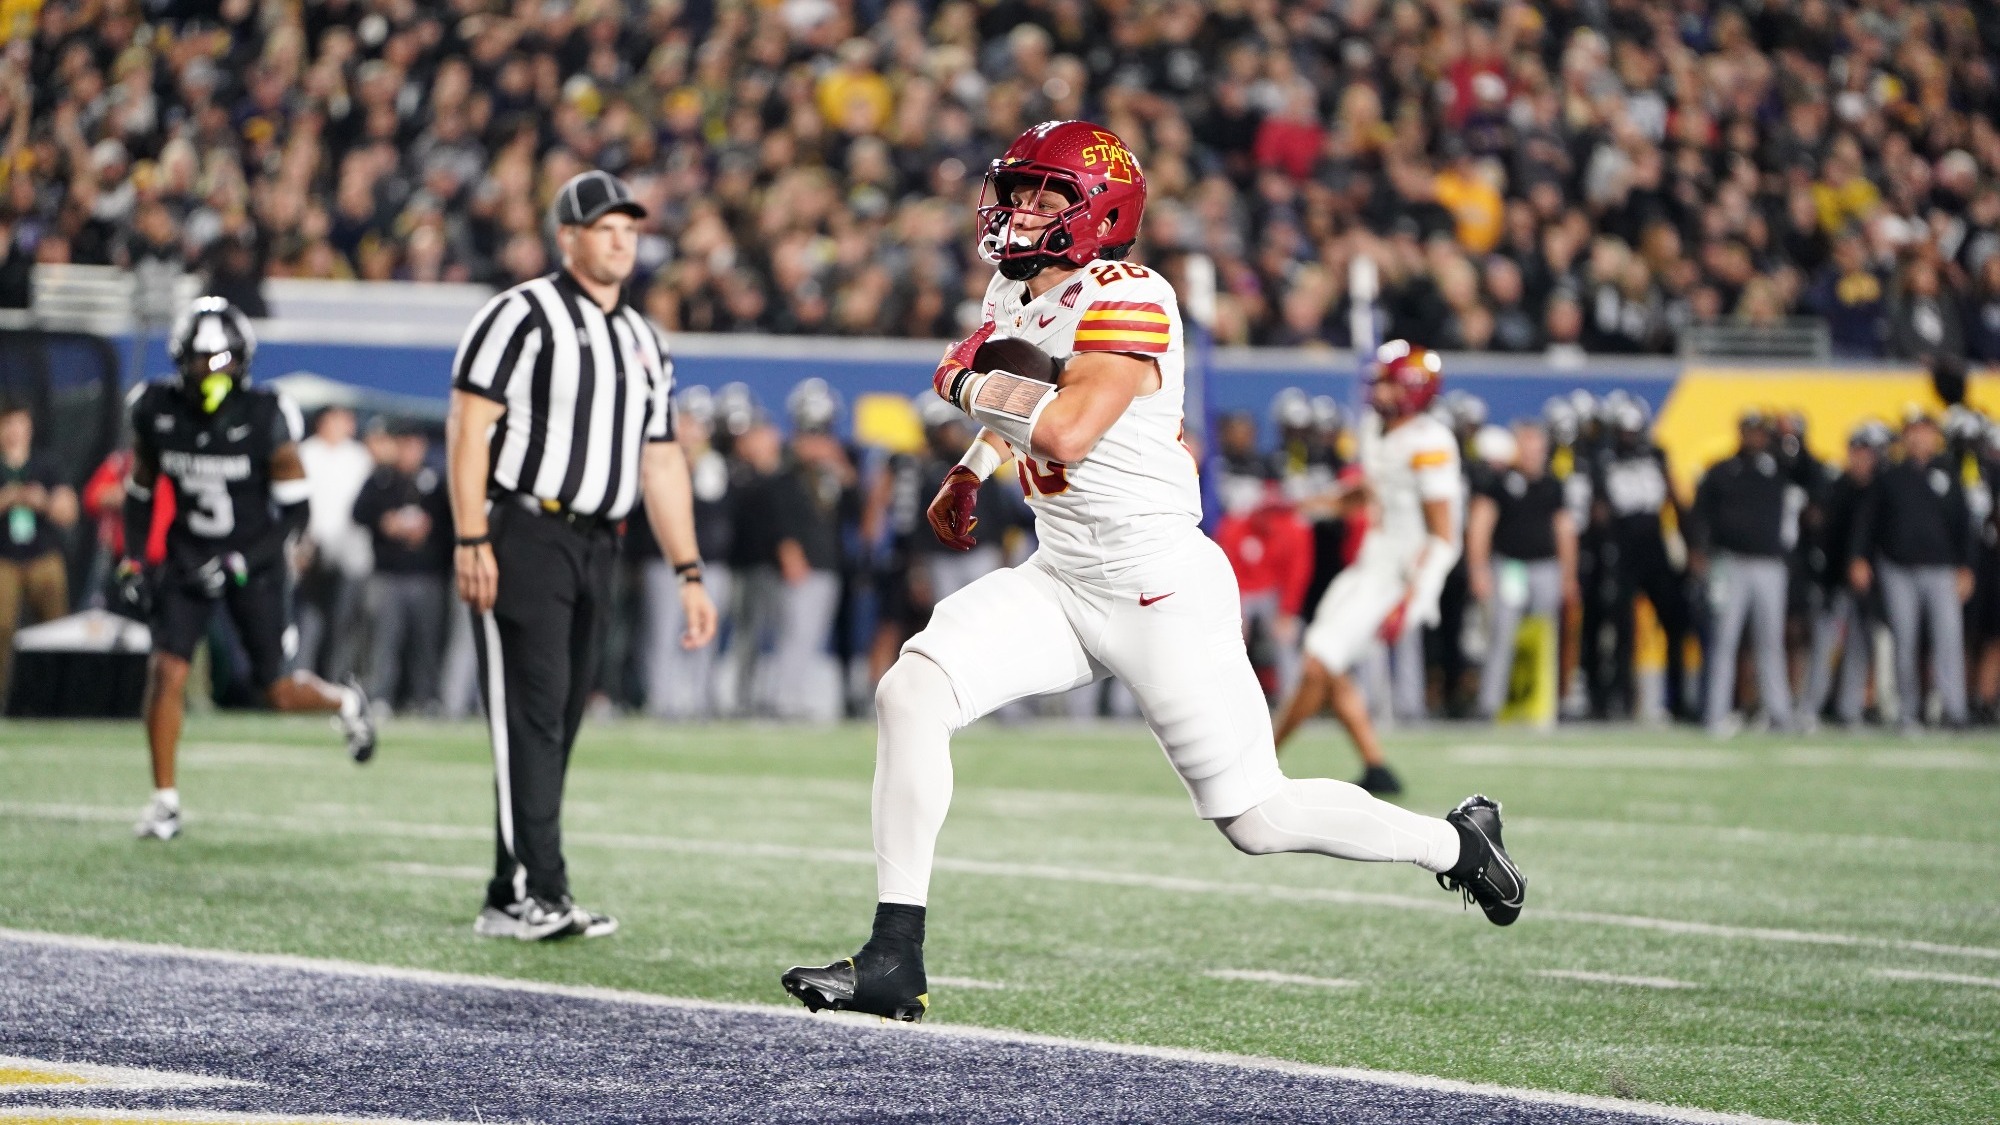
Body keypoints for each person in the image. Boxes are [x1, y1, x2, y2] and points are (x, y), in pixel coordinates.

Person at [781, 121, 1524, 1024]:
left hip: (1156, 583)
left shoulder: (1132, 291)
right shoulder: (1013, 290)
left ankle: (1453, 842)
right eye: (1015, 191)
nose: (1020, 211)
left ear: (1100, 210)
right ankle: (894, 956)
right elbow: (1026, 390)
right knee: (911, 692)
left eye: (1045, 194)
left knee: (1255, 818)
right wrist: (971, 469)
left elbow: (1062, 428)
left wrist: (958, 381)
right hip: (1063, 573)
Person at [447, 170, 717, 941]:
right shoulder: (520, 315)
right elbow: (469, 426)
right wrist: (470, 533)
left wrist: (688, 571)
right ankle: (540, 888)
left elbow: (661, 461)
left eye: (630, 226)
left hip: (603, 543)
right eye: (605, 226)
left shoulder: (643, 338)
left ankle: (513, 889)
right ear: (566, 237)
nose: (622, 238)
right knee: (530, 715)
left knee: (561, 717)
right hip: (525, 531)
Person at [122, 297, 377, 842]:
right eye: (201, 362)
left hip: (254, 562)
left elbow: (296, 513)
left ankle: (346, 700)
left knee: (277, 693)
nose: (213, 373)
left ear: (243, 362)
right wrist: (134, 557)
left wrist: (240, 561)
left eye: (223, 362)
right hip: (190, 555)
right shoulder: (157, 410)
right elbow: (141, 491)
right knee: (167, 671)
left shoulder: (265, 416)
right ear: (179, 361)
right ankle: (165, 800)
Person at [1271, 341, 1466, 796]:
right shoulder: (1378, 428)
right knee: (1325, 661)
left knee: (1319, 661)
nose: (1379, 390)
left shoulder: (1430, 441)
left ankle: (1264, 755)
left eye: (1389, 383)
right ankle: (1376, 766)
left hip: (1396, 574)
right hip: (1371, 562)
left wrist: (1420, 593)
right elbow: (1374, 491)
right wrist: (1320, 503)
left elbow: (1443, 534)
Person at [1849, 410, 1975, 730]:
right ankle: (1909, 711)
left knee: (1948, 640)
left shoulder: (1949, 473)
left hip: (1941, 569)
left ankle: (1953, 709)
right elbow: (1868, 521)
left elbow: (1964, 526)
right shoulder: (1890, 475)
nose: (1919, 438)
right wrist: (1859, 557)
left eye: (1925, 431)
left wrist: (1966, 567)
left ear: (1935, 436)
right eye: (1913, 431)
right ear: (1904, 437)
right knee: (1904, 641)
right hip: (1898, 568)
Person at [1689, 411, 1796, 736]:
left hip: (1769, 565)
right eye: (1749, 431)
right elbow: (1699, 513)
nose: (1754, 437)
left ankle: (1779, 713)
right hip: (1729, 563)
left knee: (1770, 641)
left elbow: (1812, 475)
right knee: (1724, 638)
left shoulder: (1778, 467)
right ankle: (1716, 713)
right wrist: (1698, 550)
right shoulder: (1723, 470)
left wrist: (1788, 437)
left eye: (1759, 432)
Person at [1467, 420, 1577, 720]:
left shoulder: (1552, 484)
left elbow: (1564, 531)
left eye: (1537, 447)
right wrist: (1478, 569)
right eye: (1527, 447)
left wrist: (1568, 575)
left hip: (1545, 568)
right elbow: (1480, 525)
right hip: (1510, 567)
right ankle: (1490, 704)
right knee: (1502, 633)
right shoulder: (1499, 482)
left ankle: (1545, 704)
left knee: (1546, 636)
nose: (1533, 454)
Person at [353, 421, 451, 713]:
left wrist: (428, 530)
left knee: (426, 641)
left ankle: (425, 697)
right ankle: (381, 696)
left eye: (415, 445)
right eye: (405, 444)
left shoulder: (437, 482)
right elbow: (358, 513)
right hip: (388, 573)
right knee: (384, 640)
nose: (410, 451)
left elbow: (450, 526)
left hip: (427, 574)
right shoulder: (381, 480)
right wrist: (386, 522)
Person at [1801, 421, 1888, 727]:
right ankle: (1810, 708)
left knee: (1860, 647)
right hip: (1835, 582)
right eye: (1858, 452)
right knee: (1826, 646)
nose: (1861, 459)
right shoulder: (1838, 488)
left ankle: (1850, 709)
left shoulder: (1882, 491)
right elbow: (1823, 535)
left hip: (1869, 586)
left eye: (1867, 453)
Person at [0, 403, 78, 699]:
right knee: (2, 626)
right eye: (8, 425)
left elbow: (69, 511)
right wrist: (6, 499)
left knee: (56, 625)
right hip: (4, 558)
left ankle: (57, 695)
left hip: (41, 555)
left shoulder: (46, 465)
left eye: (19, 424)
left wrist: (42, 501)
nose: (14, 432)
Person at [294, 406, 375, 681]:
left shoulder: (359, 456)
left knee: (344, 618)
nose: (347, 424)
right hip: (311, 542)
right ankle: (300, 676)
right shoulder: (307, 453)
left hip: (349, 547)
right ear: (323, 421)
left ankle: (335, 679)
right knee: (308, 615)